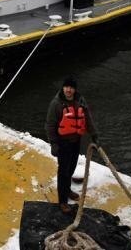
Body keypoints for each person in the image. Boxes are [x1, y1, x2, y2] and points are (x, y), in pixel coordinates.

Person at [45, 75, 98, 214]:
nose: (68, 90)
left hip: (76, 141)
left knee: (71, 168)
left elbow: (87, 118)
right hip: (62, 143)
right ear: (63, 88)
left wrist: (94, 134)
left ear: (74, 89)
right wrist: (54, 144)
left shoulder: (80, 101)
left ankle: (67, 190)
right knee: (63, 171)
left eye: (71, 87)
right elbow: (50, 125)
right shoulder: (56, 104)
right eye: (66, 87)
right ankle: (62, 201)